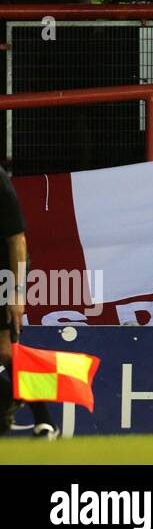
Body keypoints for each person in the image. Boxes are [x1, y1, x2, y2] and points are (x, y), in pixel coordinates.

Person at [0, 168, 59, 438]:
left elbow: (17, 239)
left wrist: (16, 293)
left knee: (7, 352)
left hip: (4, 273)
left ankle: (44, 421)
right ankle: (6, 402)